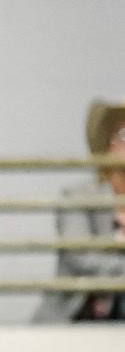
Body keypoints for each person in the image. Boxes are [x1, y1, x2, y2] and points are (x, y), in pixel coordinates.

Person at [36, 98, 125, 323]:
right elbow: (82, 257)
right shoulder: (77, 196)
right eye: (124, 136)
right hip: (79, 316)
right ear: (106, 144)